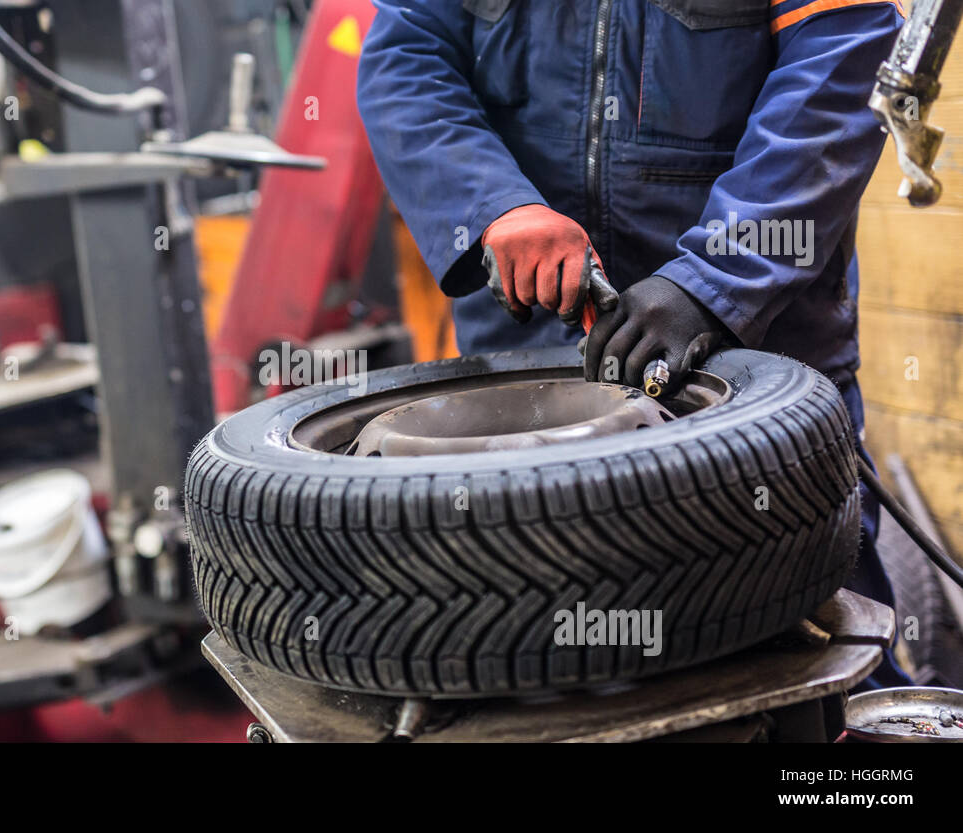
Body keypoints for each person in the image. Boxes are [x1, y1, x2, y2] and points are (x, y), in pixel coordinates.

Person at [357, 0, 909, 685]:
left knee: (820, 651)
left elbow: (841, 65)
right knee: (534, 664)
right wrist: (495, 205)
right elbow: (405, 54)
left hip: (752, 363)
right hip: (529, 356)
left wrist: (713, 282)